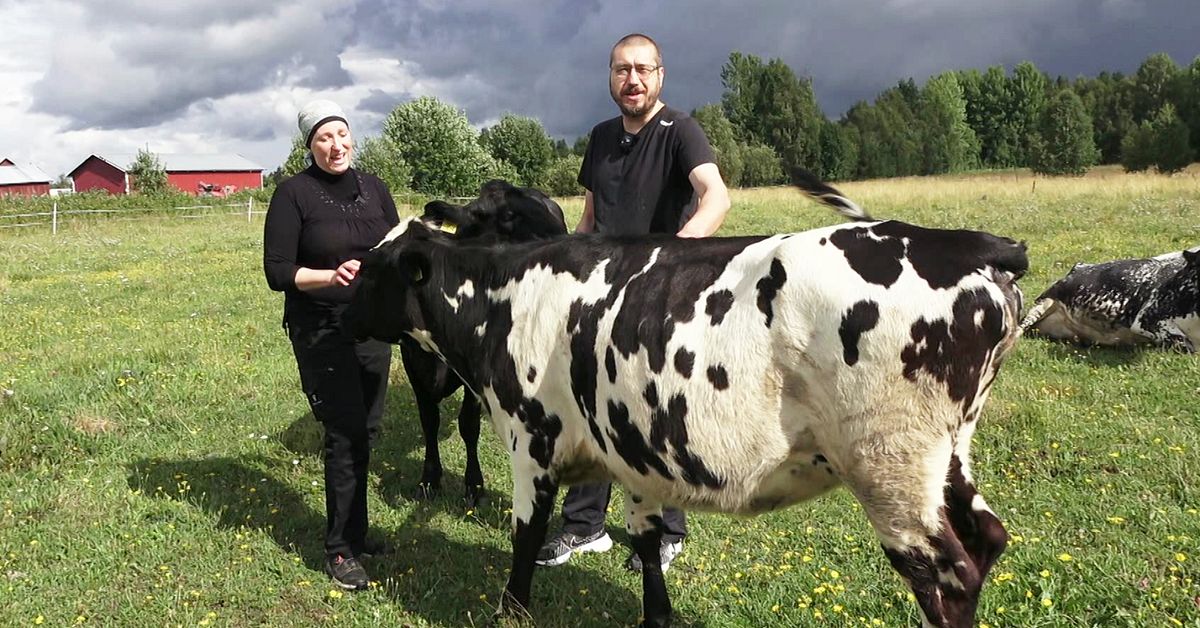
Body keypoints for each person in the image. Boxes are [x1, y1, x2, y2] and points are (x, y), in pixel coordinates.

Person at [536, 33, 731, 573]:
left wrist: (671, 260)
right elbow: (591, 218)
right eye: (622, 70)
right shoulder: (600, 138)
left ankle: (668, 531)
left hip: (659, 297)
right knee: (586, 408)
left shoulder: (680, 131)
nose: (633, 80)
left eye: (643, 70)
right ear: (611, 77)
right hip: (597, 295)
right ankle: (584, 526)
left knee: (655, 412)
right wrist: (566, 273)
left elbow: (716, 196)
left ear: (660, 76)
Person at [263, 100, 400, 591]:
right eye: (324, 137)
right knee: (343, 434)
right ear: (310, 146)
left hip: (371, 328)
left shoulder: (375, 189)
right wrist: (329, 275)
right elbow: (276, 271)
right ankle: (340, 549)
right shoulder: (293, 194)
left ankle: (357, 533)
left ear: (352, 138)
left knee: (367, 429)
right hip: (320, 330)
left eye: (341, 134)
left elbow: (394, 248)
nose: (336, 145)